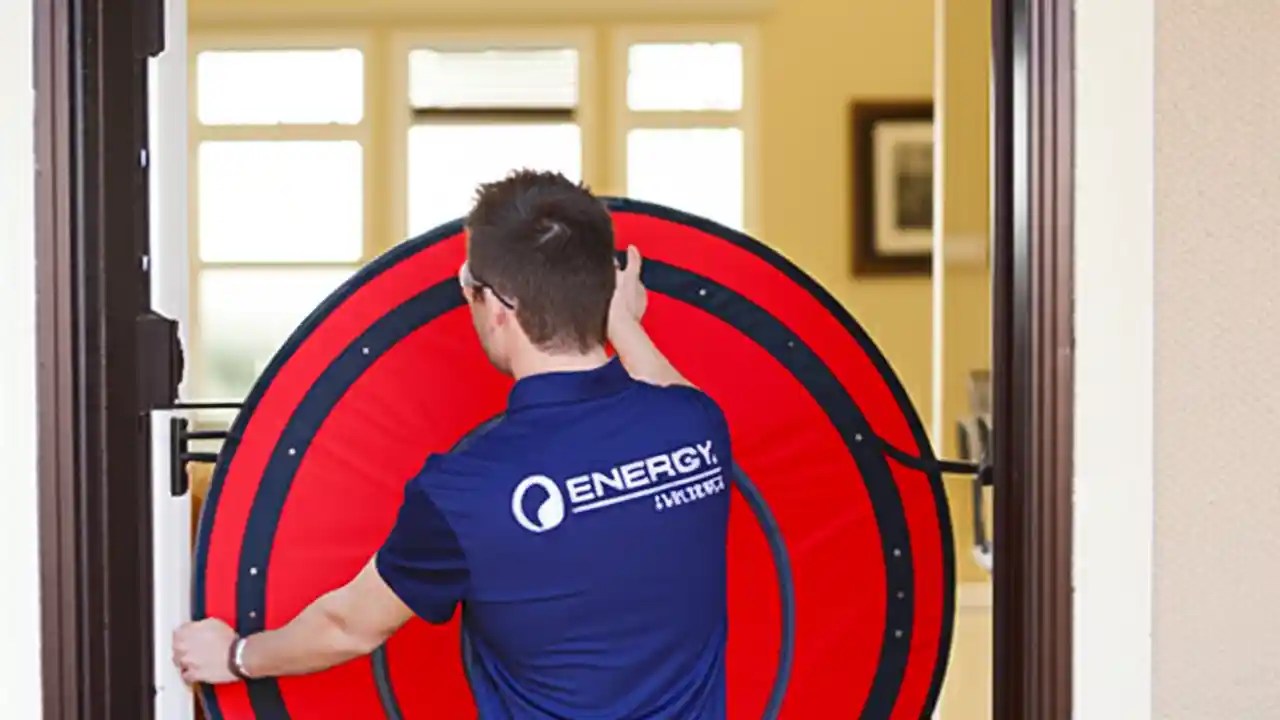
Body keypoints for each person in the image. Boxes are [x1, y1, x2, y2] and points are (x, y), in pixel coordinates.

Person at [174, 170, 733, 719]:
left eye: (468, 286)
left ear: (498, 307)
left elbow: (348, 626)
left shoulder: (465, 492)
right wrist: (623, 323)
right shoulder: (697, 429)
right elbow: (669, 391)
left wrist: (236, 655)